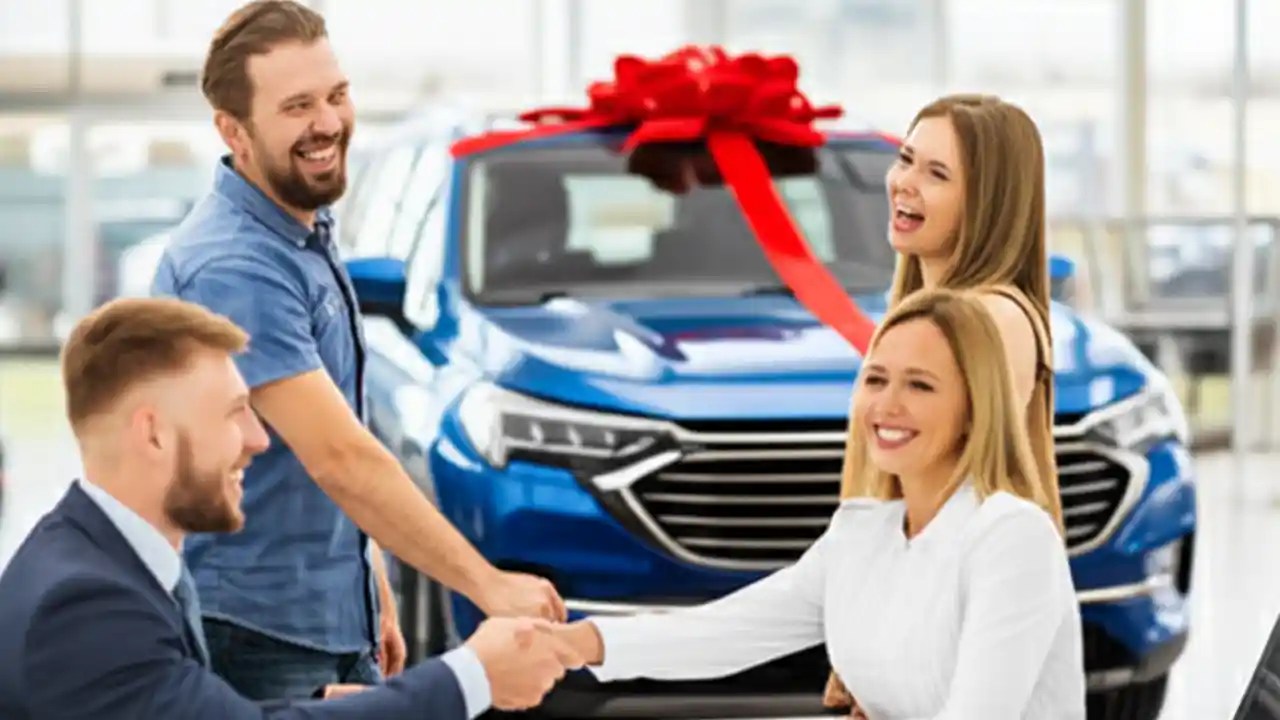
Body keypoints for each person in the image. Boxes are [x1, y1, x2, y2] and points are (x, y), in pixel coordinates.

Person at [149, 0, 564, 700]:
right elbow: (340, 458)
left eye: (337, 95)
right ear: (233, 130)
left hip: (320, 619)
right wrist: (485, 584)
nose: (328, 122)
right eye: (298, 106)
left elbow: (321, 440)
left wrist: (368, 582)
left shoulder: (297, 227)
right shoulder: (234, 265)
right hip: (254, 633)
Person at [0, 297, 583, 720]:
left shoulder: (92, 556)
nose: (259, 438)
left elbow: (165, 702)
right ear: (153, 435)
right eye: (234, 412)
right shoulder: (84, 607)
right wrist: (473, 676)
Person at [550, 289, 1088, 719]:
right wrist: (577, 643)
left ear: (976, 408)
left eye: (920, 386)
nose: (887, 405)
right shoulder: (862, 533)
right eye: (875, 379)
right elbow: (727, 631)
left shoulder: (1011, 536)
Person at [825, 92, 1064, 711]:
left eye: (937, 175)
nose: (905, 184)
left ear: (987, 204)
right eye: (906, 160)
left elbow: (951, 506)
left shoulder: (992, 319)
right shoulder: (923, 318)